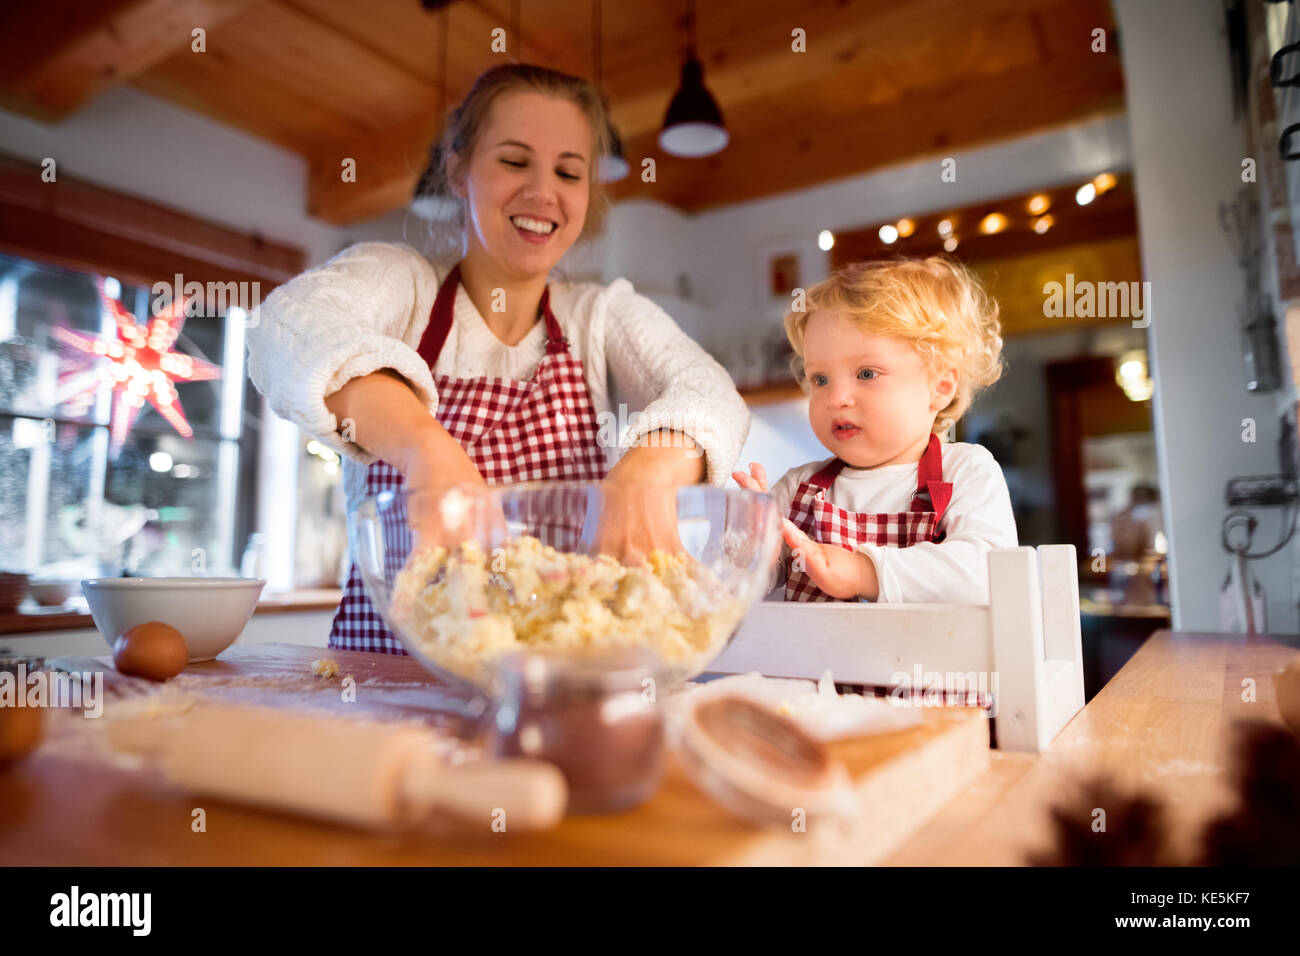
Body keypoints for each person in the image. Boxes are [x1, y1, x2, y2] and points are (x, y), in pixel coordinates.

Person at [246, 64, 749, 653]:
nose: (543, 192)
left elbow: (711, 393)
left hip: (559, 683)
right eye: (514, 161)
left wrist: (645, 475)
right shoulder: (403, 286)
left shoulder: (599, 315)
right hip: (391, 687)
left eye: (569, 171)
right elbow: (285, 327)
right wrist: (427, 450)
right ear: (458, 171)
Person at [733, 257, 1016, 604]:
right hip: (819, 659)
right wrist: (753, 545)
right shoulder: (796, 490)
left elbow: (988, 575)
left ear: (940, 386)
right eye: (820, 379)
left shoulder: (965, 471)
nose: (836, 398)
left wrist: (863, 572)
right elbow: (734, 589)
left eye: (867, 373)